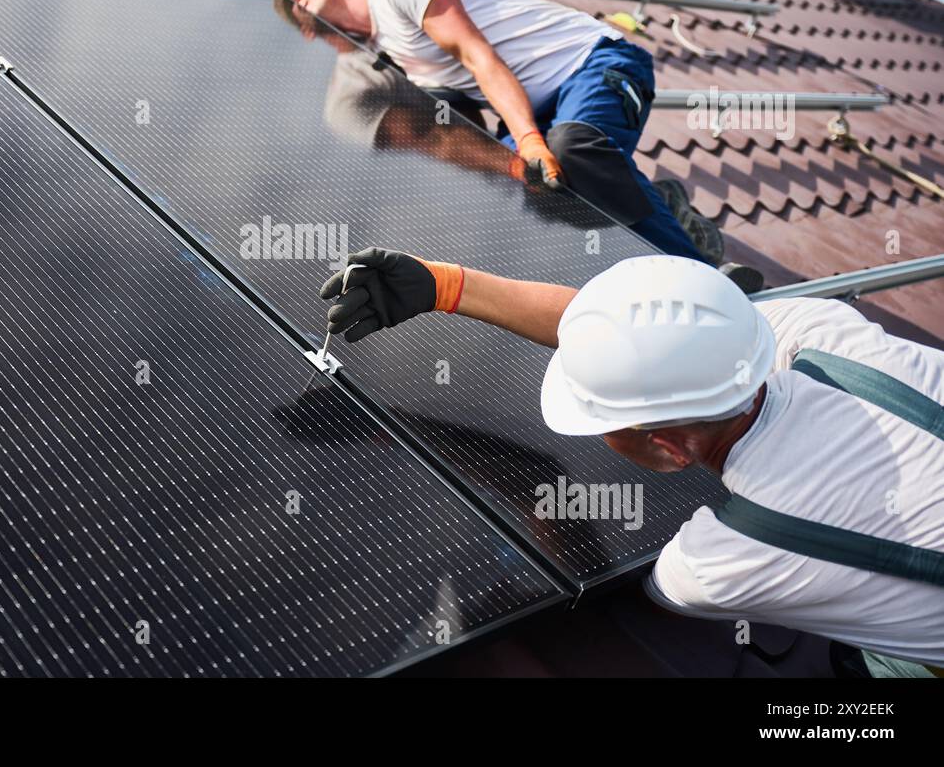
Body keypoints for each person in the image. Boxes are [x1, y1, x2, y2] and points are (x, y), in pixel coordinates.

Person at [319, 247, 944, 676]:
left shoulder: (723, 560)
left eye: (605, 427)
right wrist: (446, 284)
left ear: (668, 450)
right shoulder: (820, 332)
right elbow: (640, 336)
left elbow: (575, 553)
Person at [274, 0, 762, 289]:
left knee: (569, 153)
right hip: (531, 109)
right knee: (525, 198)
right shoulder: (389, 57)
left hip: (594, 65)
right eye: (293, 14)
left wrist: (528, 139)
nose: (295, 3)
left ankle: (704, 278)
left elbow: (477, 55)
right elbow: (456, 134)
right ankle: (664, 214)